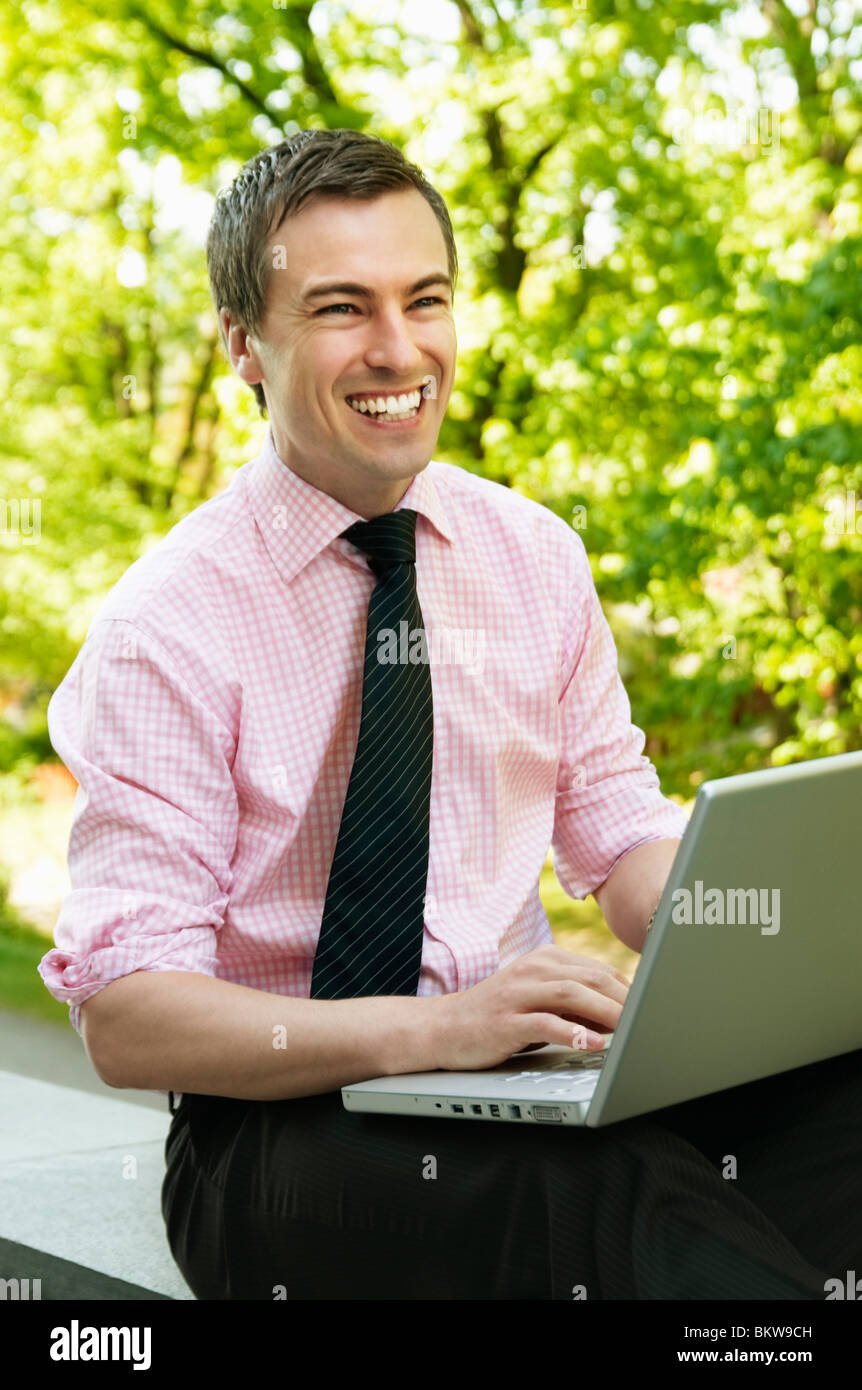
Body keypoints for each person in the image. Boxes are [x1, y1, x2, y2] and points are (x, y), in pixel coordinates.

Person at [39, 129, 861, 1301]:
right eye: (340, 309)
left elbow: (618, 835)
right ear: (245, 348)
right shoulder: (164, 627)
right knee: (586, 1191)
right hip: (279, 1136)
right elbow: (127, 1015)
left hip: (521, 1076)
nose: (398, 347)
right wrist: (437, 1031)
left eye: (424, 299)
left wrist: (767, 933)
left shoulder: (532, 558)